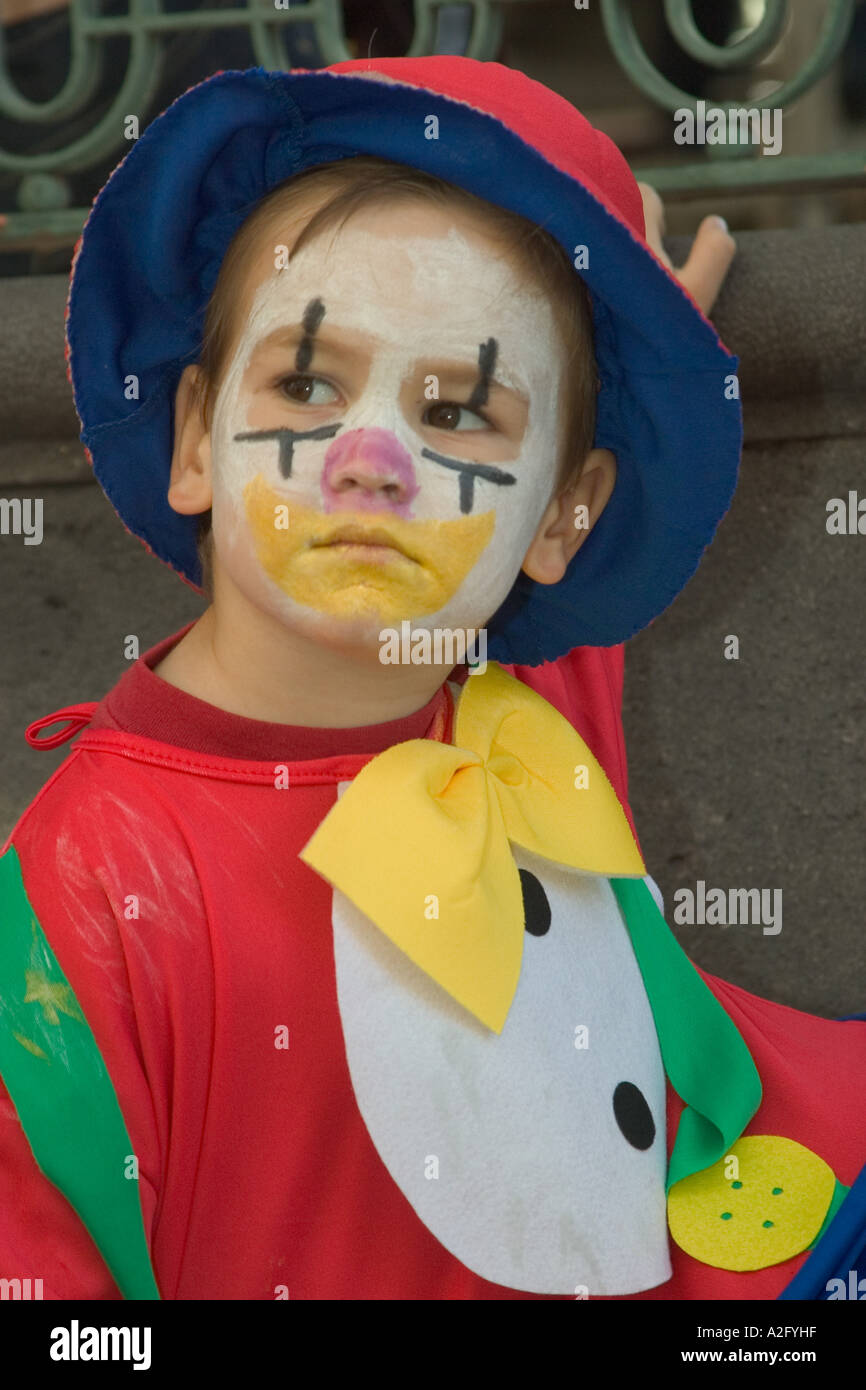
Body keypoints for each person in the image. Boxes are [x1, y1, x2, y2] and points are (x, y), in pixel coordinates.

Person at [0, 56, 863, 1301]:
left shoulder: (523, 702)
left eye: (458, 411)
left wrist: (633, 335)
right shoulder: (78, 899)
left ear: (560, 517)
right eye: (307, 383)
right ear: (194, 436)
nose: (371, 458)